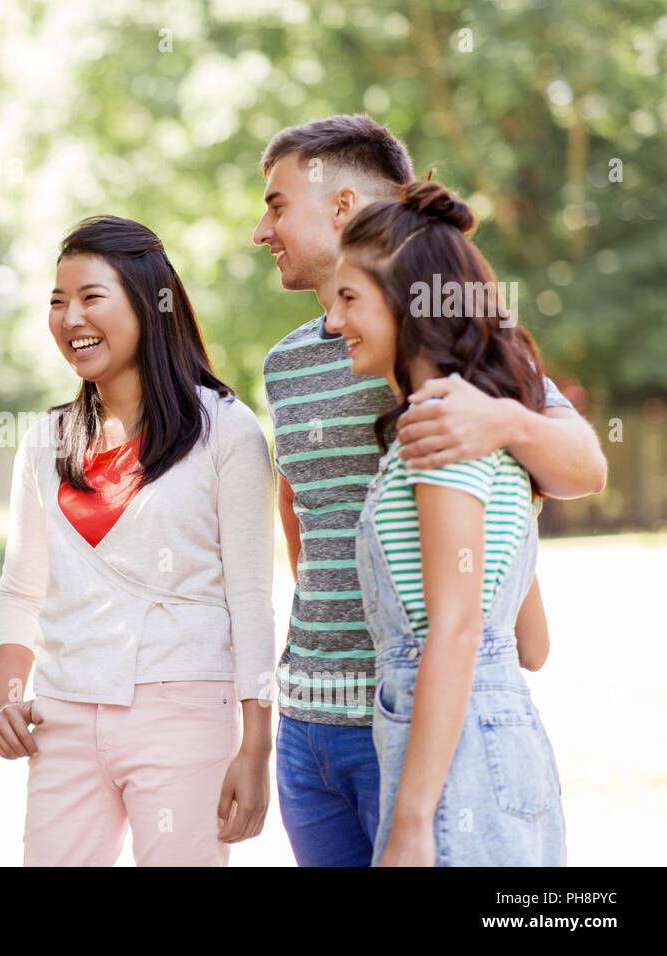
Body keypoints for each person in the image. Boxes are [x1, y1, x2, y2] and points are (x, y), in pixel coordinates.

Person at [254, 115, 605, 866]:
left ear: (343, 206)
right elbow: (302, 520)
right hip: (313, 723)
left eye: (277, 204)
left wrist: (504, 418)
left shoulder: (462, 374)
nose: (262, 229)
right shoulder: (288, 368)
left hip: (419, 724)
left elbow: (583, 468)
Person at [0, 215, 276, 866]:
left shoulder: (226, 431)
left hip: (184, 711)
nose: (69, 318)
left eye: (91, 297)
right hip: (61, 719)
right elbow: (20, 588)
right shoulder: (45, 441)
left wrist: (255, 744)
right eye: (57, 302)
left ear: (149, 304)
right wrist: (8, 696)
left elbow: (252, 598)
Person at [328, 179, 565, 865]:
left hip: (457, 764)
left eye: (351, 299)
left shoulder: (438, 426)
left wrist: (410, 820)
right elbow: (531, 645)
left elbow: (457, 631)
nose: (335, 321)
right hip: (504, 743)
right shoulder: (489, 424)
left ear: (407, 304)